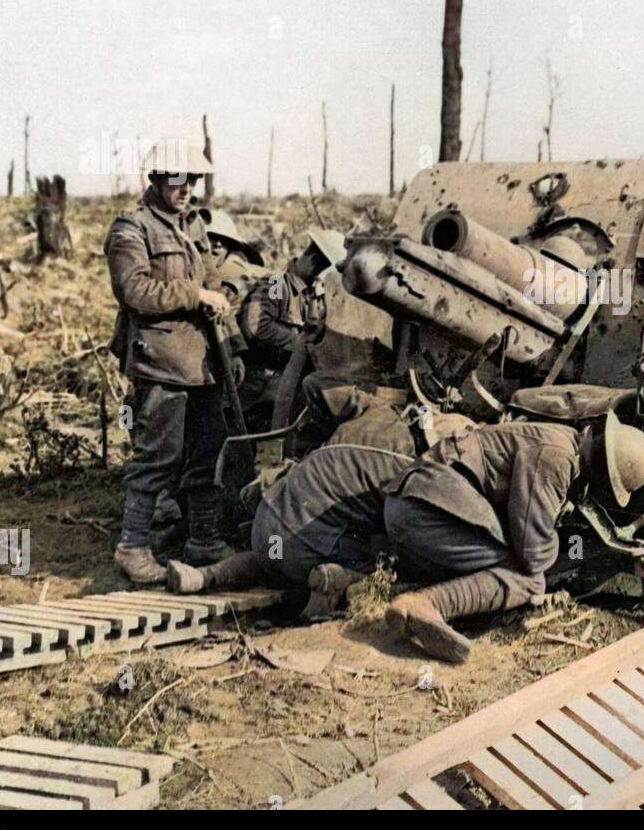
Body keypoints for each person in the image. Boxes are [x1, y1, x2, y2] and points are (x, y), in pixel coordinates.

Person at [382, 414, 644, 664]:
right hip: (425, 513)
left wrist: (585, 548)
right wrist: (567, 549)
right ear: (604, 476)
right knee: (529, 581)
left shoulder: (564, 441)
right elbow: (533, 554)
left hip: (416, 505)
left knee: (511, 565)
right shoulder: (556, 459)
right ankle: (428, 604)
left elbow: (549, 537)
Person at [104, 140, 235, 583]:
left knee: (207, 449)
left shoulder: (189, 226)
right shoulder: (131, 228)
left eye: (193, 180)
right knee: (158, 455)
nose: (187, 189)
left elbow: (210, 276)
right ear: (156, 179)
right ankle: (133, 546)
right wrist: (195, 295)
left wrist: (222, 309)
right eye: (178, 180)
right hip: (159, 360)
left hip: (201, 361)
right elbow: (134, 291)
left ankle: (202, 539)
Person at [166, 443, 414, 617]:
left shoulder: (355, 443)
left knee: (268, 560)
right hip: (302, 548)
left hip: (268, 527)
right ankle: (333, 579)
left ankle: (203, 576)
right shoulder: (409, 471)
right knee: (383, 568)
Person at [238, 229, 348, 424]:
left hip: (286, 386)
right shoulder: (277, 283)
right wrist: (301, 343)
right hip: (261, 390)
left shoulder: (311, 293)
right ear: (315, 262)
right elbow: (257, 326)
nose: (320, 281)